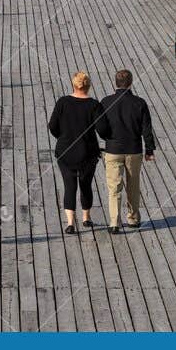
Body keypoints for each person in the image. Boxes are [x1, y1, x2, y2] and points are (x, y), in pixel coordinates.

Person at [95, 69, 155, 234]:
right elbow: (147, 129)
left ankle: (114, 222)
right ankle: (133, 218)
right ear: (130, 83)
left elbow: (100, 126)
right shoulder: (140, 103)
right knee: (133, 185)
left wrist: (108, 137)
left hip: (113, 150)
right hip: (134, 150)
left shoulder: (106, 102)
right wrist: (149, 149)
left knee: (114, 187)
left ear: (115, 83)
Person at [47, 71, 102, 234]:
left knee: (69, 186)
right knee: (86, 185)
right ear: (88, 86)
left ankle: (70, 223)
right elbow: (102, 129)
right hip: (88, 152)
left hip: (66, 151)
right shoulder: (94, 105)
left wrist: (62, 137)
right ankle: (86, 218)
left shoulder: (63, 102)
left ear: (74, 85)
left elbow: (52, 126)